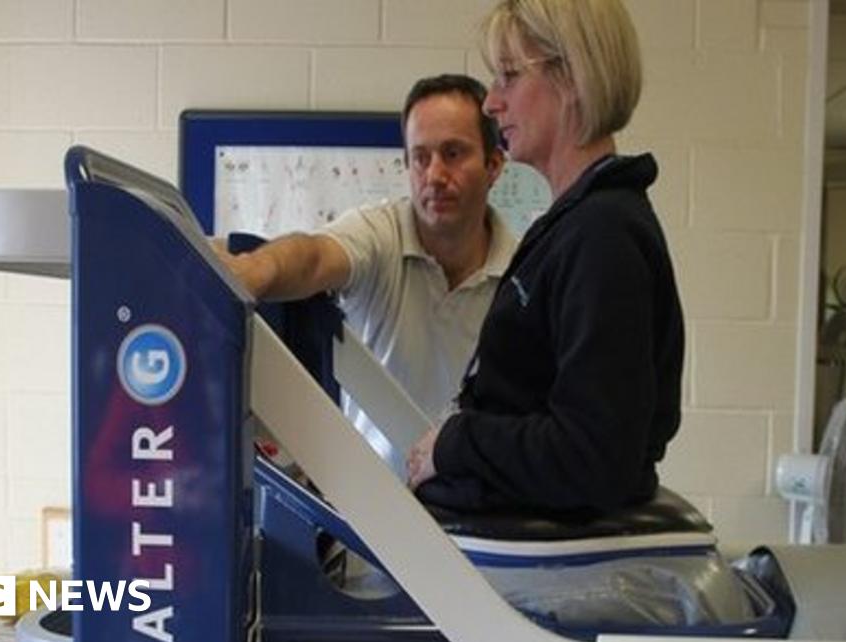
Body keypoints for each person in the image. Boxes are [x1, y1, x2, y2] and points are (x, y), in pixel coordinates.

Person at [406, 0, 685, 514]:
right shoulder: (571, 227)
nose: (492, 103)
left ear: (572, 77)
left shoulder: (603, 236)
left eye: (509, 76)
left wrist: (456, 442)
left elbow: (591, 457)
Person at [214, 74, 517, 475]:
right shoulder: (379, 234)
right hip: (369, 504)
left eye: (453, 153)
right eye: (420, 157)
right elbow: (313, 257)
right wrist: (251, 271)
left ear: (493, 165)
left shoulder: (524, 271)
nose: (434, 175)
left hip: (474, 505)